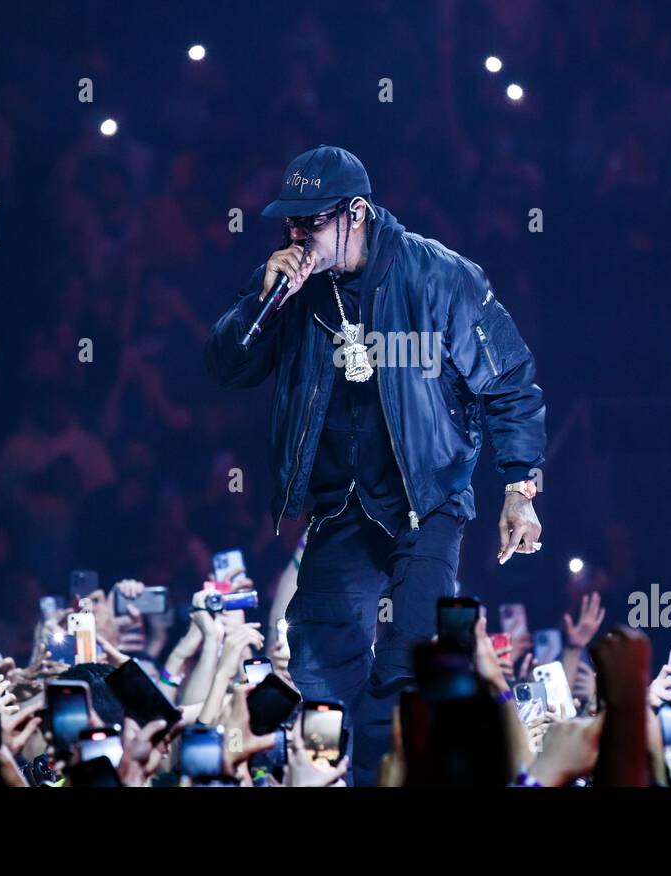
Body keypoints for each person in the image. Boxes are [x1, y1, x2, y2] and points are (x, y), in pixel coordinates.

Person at [205, 145, 547, 783]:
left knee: (408, 658)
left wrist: (519, 488)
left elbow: (511, 382)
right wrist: (263, 299)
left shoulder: (438, 277)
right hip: (343, 503)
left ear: (355, 214)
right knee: (315, 656)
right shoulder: (290, 289)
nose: (297, 236)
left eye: (312, 222)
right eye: (290, 224)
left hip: (426, 501)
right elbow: (226, 364)